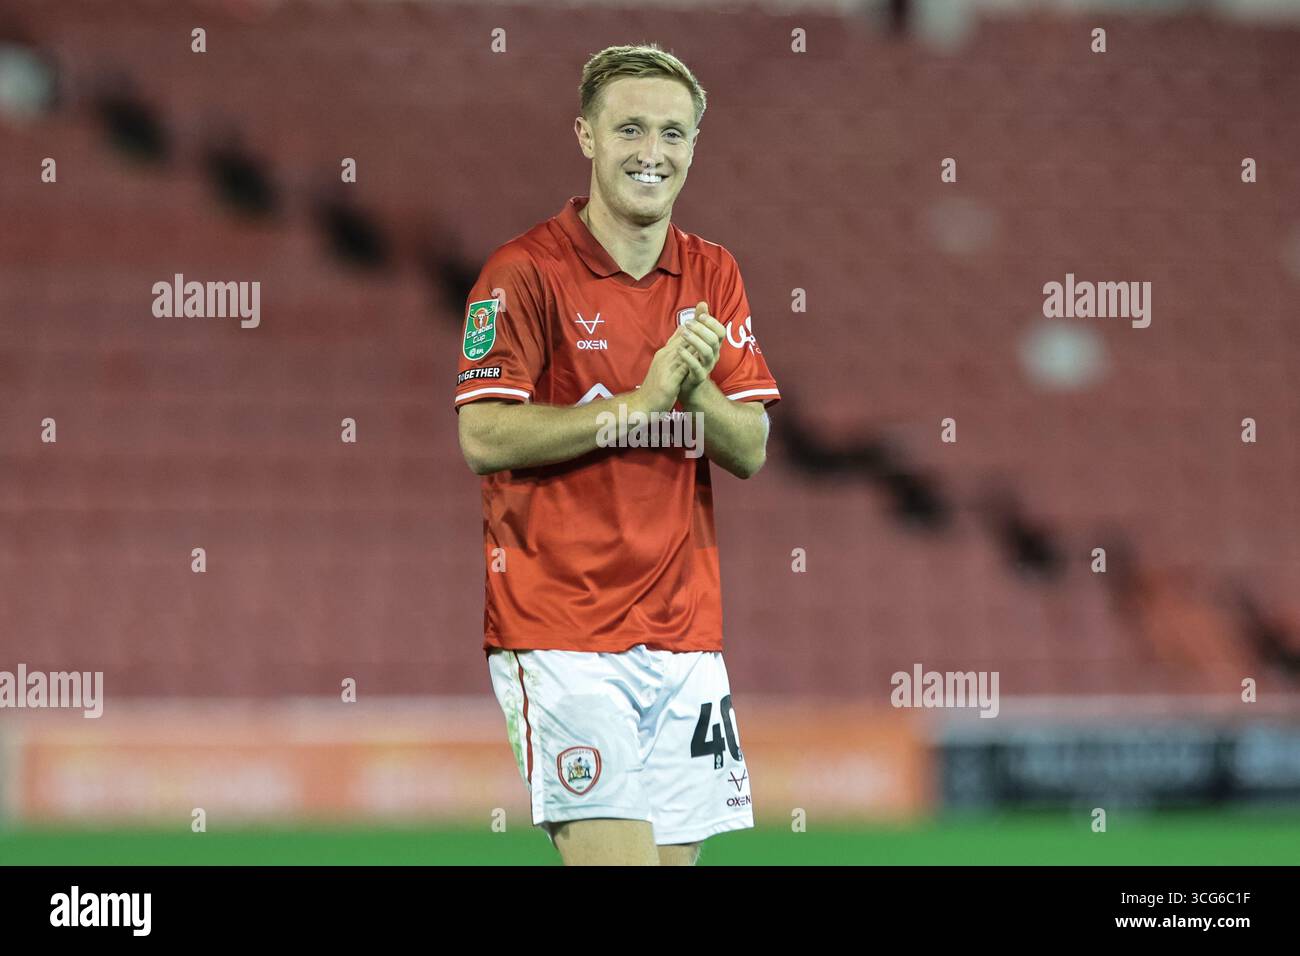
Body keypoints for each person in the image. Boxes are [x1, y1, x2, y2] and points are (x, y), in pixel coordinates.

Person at [455, 43, 780, 865]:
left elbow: (750, 448)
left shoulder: (714, 271)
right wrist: (638, 403)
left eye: (673, 133)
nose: (652, 152)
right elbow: (483, 434)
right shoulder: (523, 272)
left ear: (694, 147)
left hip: (685, 638)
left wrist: (692, 387)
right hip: (562, 632)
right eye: (629, 128)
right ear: (586, 137)